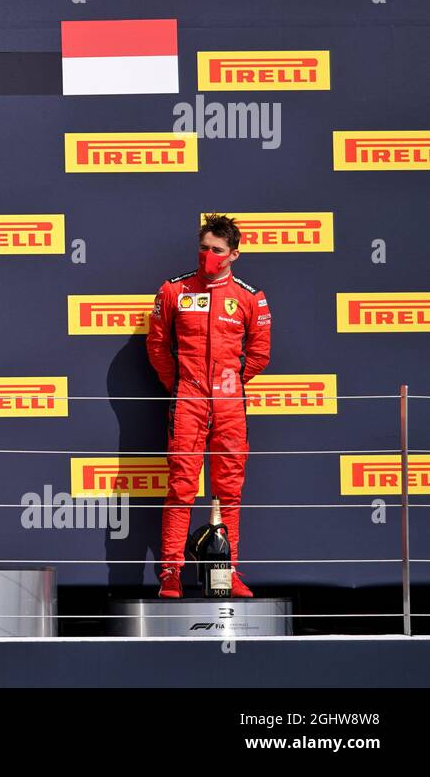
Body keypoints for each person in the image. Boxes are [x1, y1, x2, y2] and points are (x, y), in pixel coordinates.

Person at [146, 213, 271, 599]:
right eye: (203, 248)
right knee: (181, 488)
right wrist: (182, 385)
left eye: (216, 250)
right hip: (188, 402)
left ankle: (227, 572)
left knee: (228, 491)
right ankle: (170, 573)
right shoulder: (174, 290)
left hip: (230, 406)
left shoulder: (250, 297)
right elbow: (157, 347)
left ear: (234, 254)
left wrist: (231, 383)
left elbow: (261, 354)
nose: (208, 256)